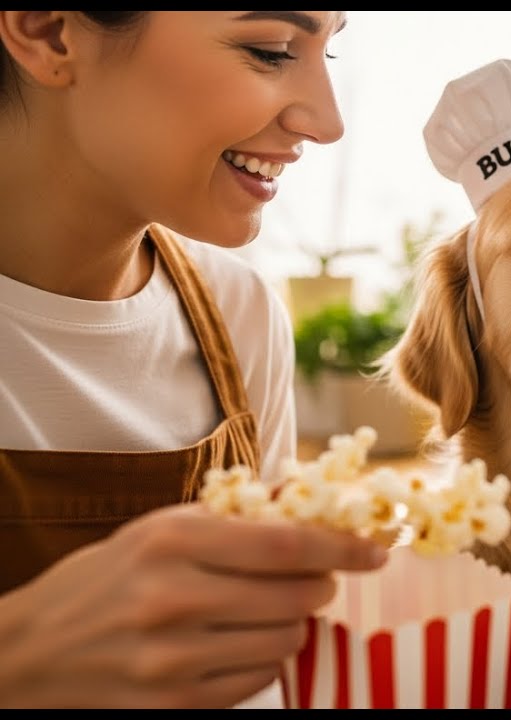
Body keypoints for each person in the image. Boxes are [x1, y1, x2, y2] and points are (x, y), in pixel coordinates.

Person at [0, 11, 387, 709]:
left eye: (329, 50)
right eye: (270, 50)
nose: (326, 121)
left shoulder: (239, 315)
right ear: (49, 30)